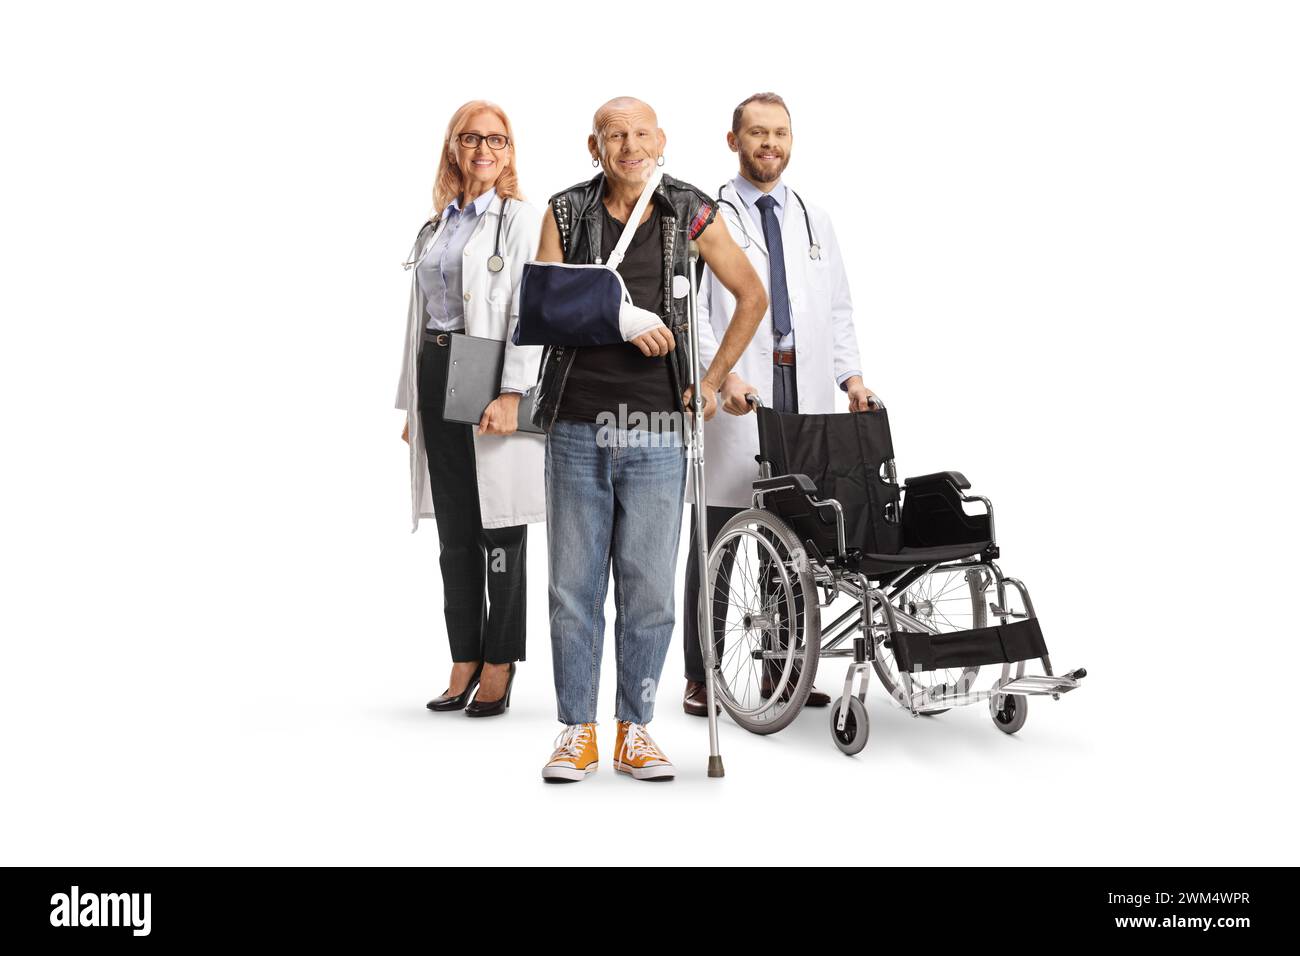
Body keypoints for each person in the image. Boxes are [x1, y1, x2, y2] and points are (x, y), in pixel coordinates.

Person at [532, 97, 766, 782]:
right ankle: (577, 732)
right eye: (615, 136)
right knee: (573, 587)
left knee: (650, 590)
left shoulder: (688, 209)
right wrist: (622, 318)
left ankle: (635, 729)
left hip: (662, 425)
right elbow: (543, 310)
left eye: (641, 134)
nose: (629, 146)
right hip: (577, 421)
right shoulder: (565, 211)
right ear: (593, 146)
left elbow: (751, 294)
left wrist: (713, 378)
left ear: (660, 140)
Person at [681, 92, 879, 717]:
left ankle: (782, 672)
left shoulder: (815, 218)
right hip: (739, 396)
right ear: (733, 140)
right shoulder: (704, 216)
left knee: (793, 542)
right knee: (719, 540)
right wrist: (723, 375)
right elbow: (693, 311)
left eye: (781, 134)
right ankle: (701, 674)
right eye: (758, 133)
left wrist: (850, 379)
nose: (770, 144)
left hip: (805, 391)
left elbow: (838, 309)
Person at [395, 100, 544, 718]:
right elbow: (419, 316)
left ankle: (500, 659)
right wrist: (412, 402)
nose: (485, 150)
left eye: (498, 140)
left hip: (487, 370)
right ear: (453, 148)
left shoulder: (519, 219)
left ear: (509, 151)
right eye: (472, 139)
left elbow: (529, 312)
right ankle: (463, 654)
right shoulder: (439, 224)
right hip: (437, 370)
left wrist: (512, 392)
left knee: (499, 523)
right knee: (456, 529)